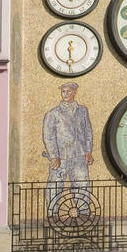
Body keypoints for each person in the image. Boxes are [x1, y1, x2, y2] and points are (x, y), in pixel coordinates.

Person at [42, 82, 94, 216]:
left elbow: (88, 131)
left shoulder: (83, 110)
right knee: (55, 187)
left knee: (82, 185)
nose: (65, 94)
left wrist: (88, 152)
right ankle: (52, 214)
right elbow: (48, 136)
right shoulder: (53, 113)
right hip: (61, 158)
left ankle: (83, 213)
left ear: (74, 92)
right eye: (63, 91)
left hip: (79, 156)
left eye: (68, 91)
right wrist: (54, 156)